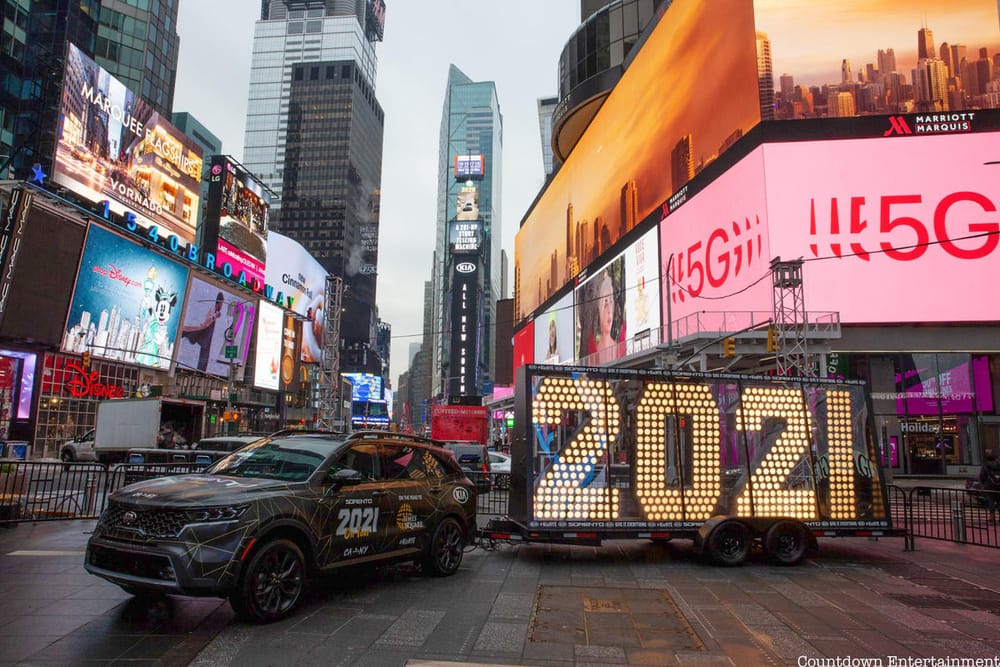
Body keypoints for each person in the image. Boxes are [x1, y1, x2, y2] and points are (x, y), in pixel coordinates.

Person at [181, 292, 224, 371]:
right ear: (220, 302)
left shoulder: (216, 311)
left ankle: (201, 371)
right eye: (222, 304)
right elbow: (205, 323)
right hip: (203, 338)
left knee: (205, 358)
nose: (222, 306)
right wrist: (215, 316)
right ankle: (200, 370)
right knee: (203, 357)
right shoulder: (212, 309)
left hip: (207, 340)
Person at [979, 453, 1000, 519]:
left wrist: (983, 484)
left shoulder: (986, 465)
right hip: (999, 486)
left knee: (991, 501)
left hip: (989, 486)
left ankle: (992, 516)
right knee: (999, 501)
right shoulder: (998, 464)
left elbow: (982, 476)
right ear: (995, 458)